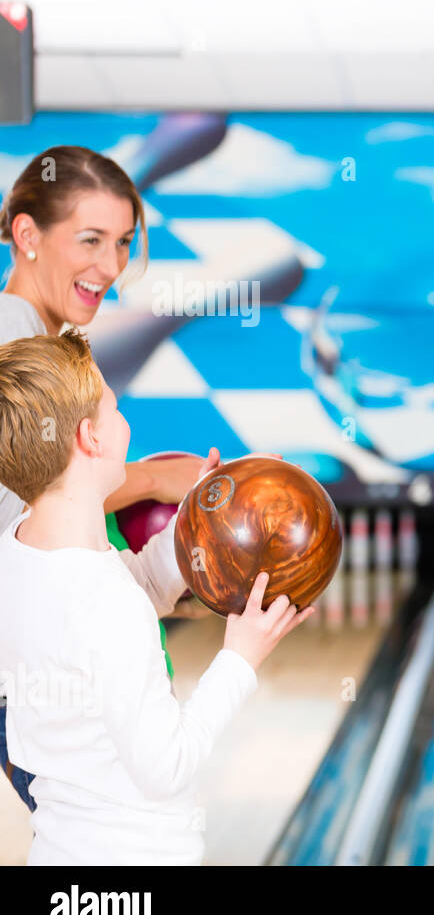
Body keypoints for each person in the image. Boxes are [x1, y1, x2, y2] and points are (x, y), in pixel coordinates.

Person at [0, 329, 313, 863]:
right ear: (89, 438)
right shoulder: (104, 604)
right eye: (115, 409)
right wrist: (239, 659)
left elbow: (135, 584)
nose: (126, 423)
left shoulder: (18, 552)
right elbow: (167, 765)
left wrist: (203, 521)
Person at [0, 145, 224, 809]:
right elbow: (26, 514)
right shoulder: (16, 342)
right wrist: (154, 486)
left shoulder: (40, 334)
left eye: (124, 242)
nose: (112, 265)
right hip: (35, 680)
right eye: (91, 239)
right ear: (27, 235)